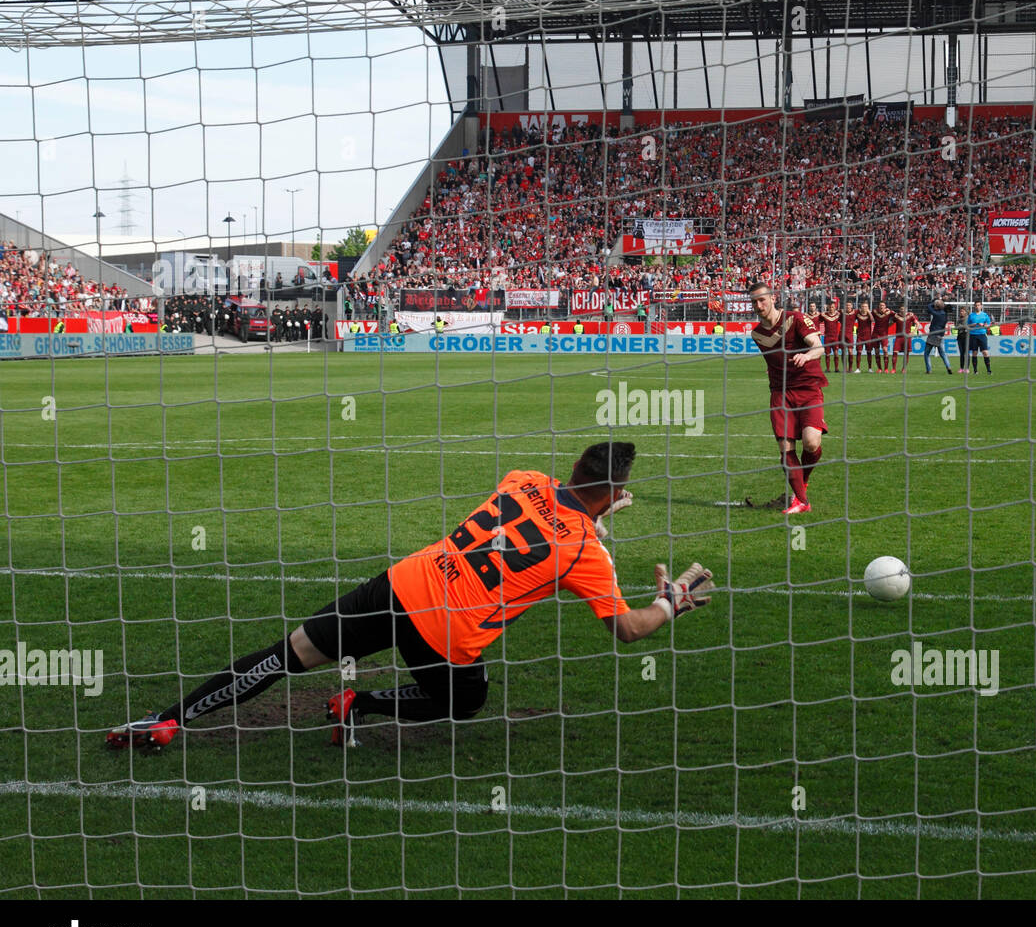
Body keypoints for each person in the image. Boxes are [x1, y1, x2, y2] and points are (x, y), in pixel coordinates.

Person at [106, 442, 714, 750]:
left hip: (400, 584)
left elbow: (546, 514)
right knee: (467, 698)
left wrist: (598, 511)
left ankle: (168, 721)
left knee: (286, 655)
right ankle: (360, 703)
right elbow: (627, 628)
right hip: (445, 635)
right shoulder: (587, 551)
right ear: (617, 491)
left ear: (574, 468)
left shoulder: (524, 479)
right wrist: (671, 601)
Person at [743, 281, 827, 514]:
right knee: (785, 447)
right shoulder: (757, 334)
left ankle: (803, 483)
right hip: (780, 393)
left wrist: (808, 356)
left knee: (811, 443)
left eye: (762, 300)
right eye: (754, 302)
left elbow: (818, 347)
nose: (759, 305)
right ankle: (802, 501)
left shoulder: (796, 318)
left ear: (773, 298)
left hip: (809, 388)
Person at [923, 297, 953, 374]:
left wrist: (934, 303)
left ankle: (929, 369)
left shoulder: (937, 314)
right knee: (943, 354)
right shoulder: (944, 314)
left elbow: (929, 307)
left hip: (933, 335)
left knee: (926, 354)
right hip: (940, 336)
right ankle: (948, 366)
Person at [966, 301, 993, 375]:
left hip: (982, 335)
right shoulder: (971, 315)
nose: (977, 306)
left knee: (985, 352)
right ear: (974, 306)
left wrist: (983, 325)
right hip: (973, 335)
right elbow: (967, 325)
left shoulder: (985, 315)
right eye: (976, 305)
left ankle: (989, 370)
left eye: (978, 305)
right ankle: (975, 371)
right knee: (974, 353)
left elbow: (988, 325)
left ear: (981, 306)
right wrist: (973, 324)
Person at [819, 299, 843, 372]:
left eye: (833, 307)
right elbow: (818, 320)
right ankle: (828, 369)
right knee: (827, 354)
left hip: (835, 337)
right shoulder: (824, 315)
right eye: (830, 307)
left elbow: (844, 320)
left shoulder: (838, 315)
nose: (831, 308)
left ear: (835, 307)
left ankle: (836, 368)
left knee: (836, 353)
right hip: (827, 337)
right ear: (828, 307)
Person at [954, 307, 970, 373]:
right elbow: (956, 327)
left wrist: (961, 326)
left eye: (963, 311)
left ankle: (967, 368)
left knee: (967, 353)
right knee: (961, 353)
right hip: (960, 337)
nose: (961, 312)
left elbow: (968, 327)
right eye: (960, 311)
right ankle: (961, 368)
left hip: (967, 337)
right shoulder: (958, 320)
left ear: (966, 312)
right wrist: (962, 327)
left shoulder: (968, 319)